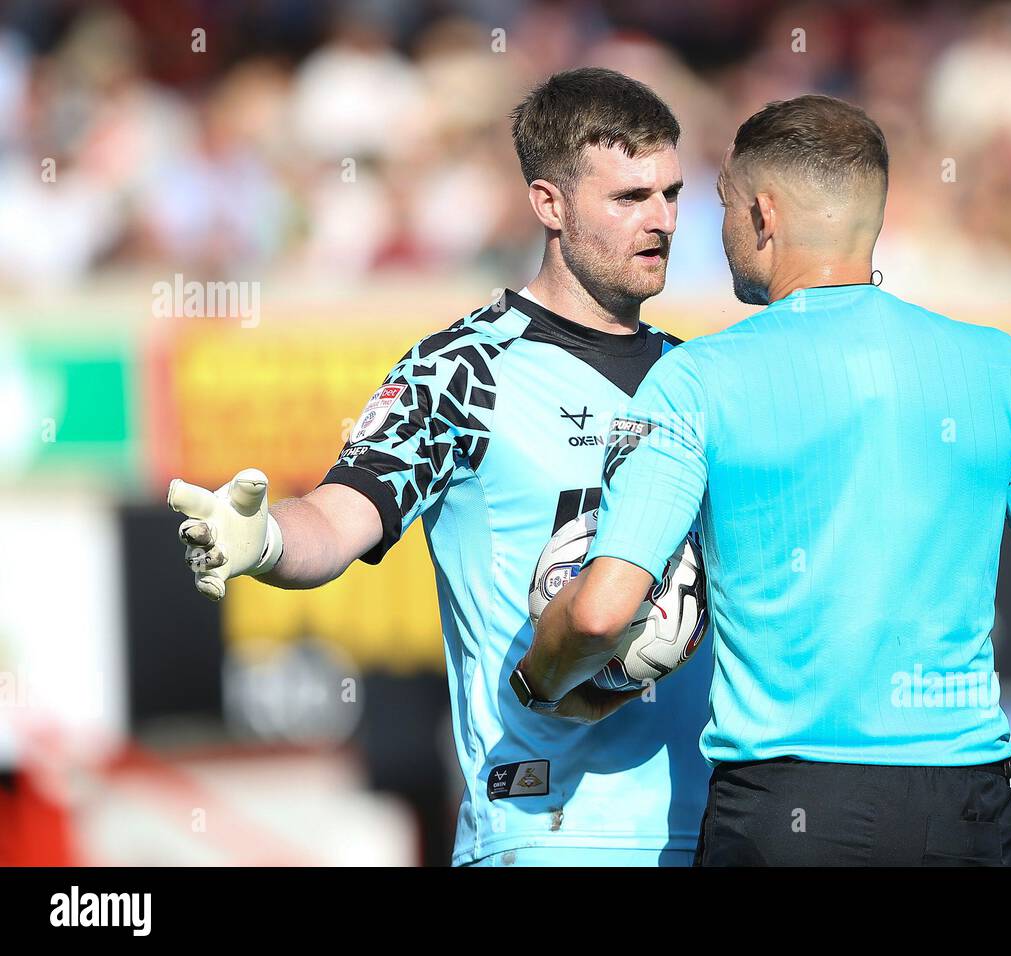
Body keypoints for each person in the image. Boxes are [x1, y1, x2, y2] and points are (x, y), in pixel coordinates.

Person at [522, 94, 1011, 866]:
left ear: (764, 216)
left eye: (724, 206)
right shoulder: (1003, 366)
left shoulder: (697, 379)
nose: (713, 228)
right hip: (969, 810)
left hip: (786, 815)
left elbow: (604, 610)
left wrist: (540, 684)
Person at [167, 68, 712, 867]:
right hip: (547, 831)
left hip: (706, 830)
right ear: (549, 204)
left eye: (671, 193)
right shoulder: (460, 372)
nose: (661, 220)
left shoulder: (696, 377)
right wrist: (267, 542)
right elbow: (338, 515)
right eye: (629, 198)